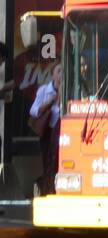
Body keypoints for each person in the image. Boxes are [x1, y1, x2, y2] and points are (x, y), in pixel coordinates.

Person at [29, 63, 60, 196]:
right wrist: (50, 102)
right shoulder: (44, 90)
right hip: (48, 131)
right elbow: (33, 111)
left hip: (63, 131)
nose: (61, 75)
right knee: (48, 161)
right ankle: (48, 189)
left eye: (64, 71)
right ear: (52, 75)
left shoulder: (71, 89)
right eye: (59, 71)